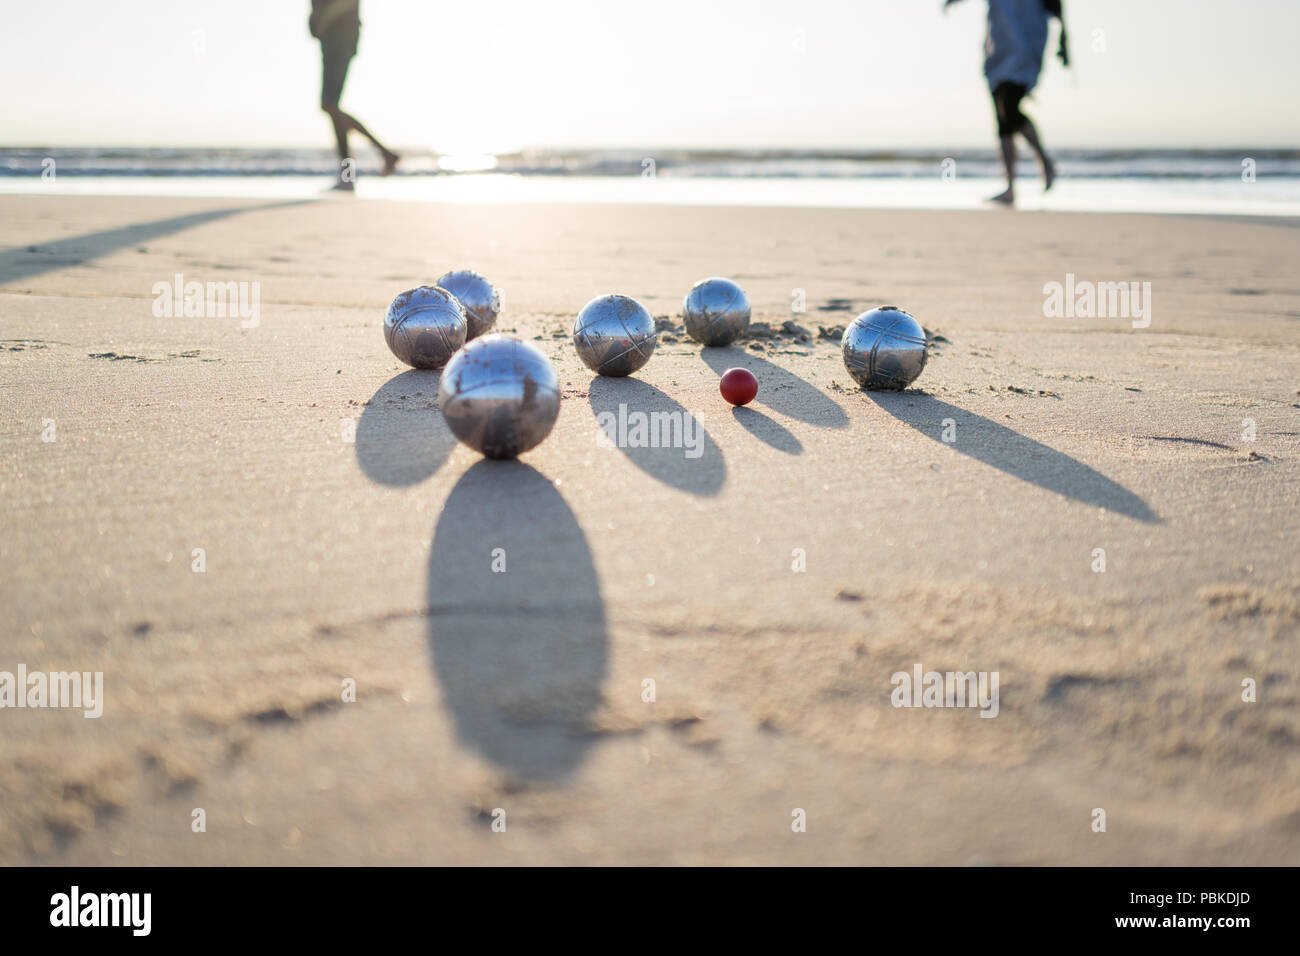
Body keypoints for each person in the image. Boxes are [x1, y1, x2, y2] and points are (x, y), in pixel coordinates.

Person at [945, 0, 1068, 205]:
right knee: (1002, 121)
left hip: (1025, 44)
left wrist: (1064, 42)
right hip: (999, 44)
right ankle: (1010, 187)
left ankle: (1044, 160)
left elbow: (1056, 7)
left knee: (1009, 107)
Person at [310, 0, 399, 190]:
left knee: (330, 105)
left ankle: (350, 174)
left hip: (338, 38)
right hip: (335, 38)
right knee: (331, 106)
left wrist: (322, 22)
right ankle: (381, 157)